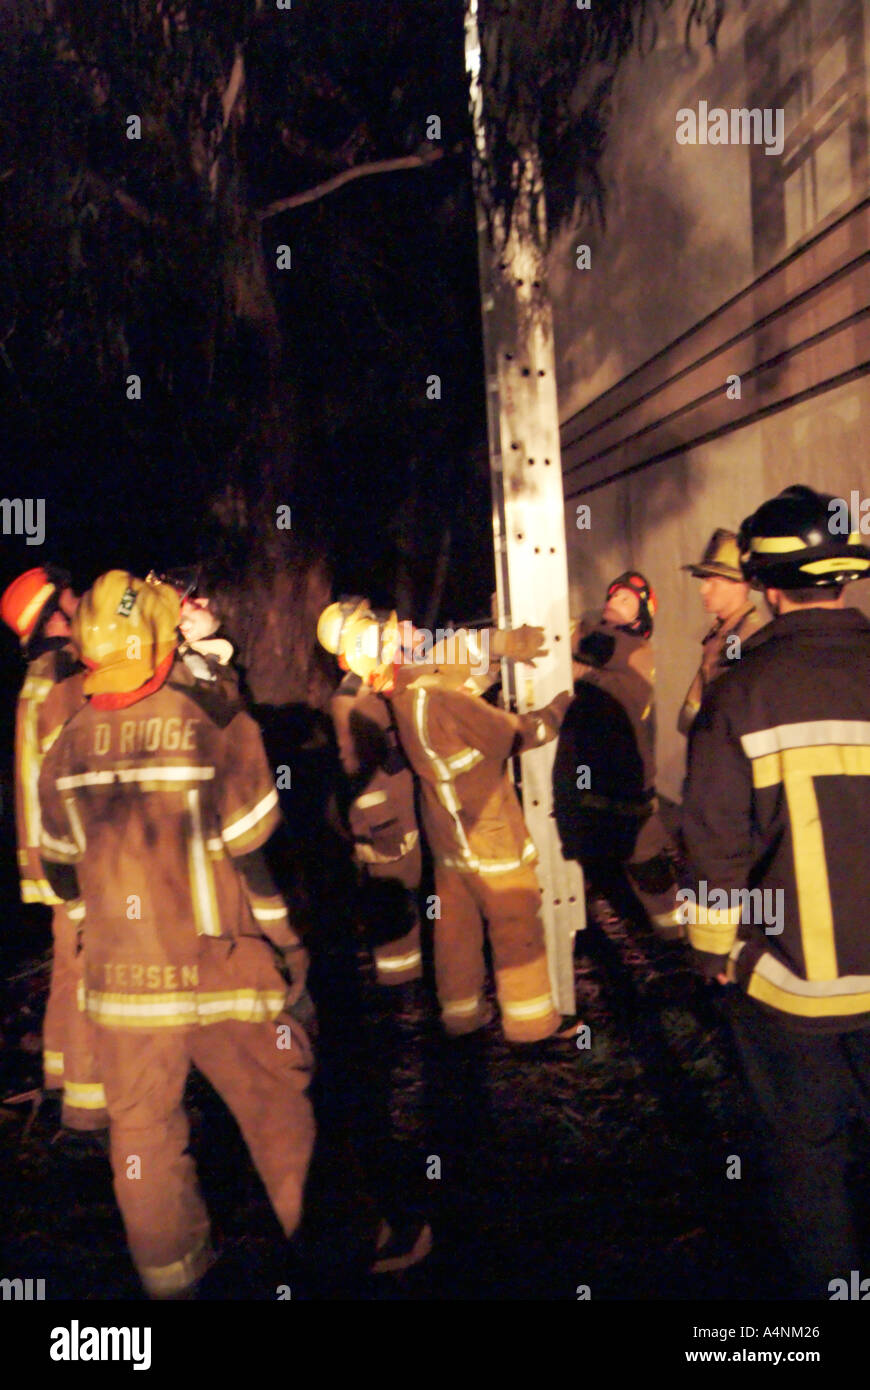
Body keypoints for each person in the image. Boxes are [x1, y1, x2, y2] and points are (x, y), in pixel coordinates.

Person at [38, 570, 315, 1298]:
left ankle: (173, 1280)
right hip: (220, 966)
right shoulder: (214, 723)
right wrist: (286, 944)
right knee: (274, 1104)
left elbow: (61, 871)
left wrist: (88, 926)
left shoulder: (64, 747)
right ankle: (329, 1249)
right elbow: (255, 852)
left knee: (142, 1138)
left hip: (124, 989)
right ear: (163, 640)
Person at [681, 484, 870, 1298]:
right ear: (844, 576)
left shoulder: (742, 692)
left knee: (809, 1169)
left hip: (794, 994)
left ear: (765, 583)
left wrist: (716, 955)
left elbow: (716, 844)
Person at [319, 600, 573, 1043]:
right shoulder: (433, 697)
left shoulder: (401, 690)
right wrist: (556, 712)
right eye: (399, 630)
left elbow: (446, 660)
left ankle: (461, 1015)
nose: (411, 626)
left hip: (447, 838)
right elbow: (510, 733)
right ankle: (532, 1027)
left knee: (456, 929)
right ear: (384, 646)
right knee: (515, 921)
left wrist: (496, 645)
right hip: (488, 833)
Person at [1, 566, 108, 1136]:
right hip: (74, 854)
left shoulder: (36, 680)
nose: (83, 603)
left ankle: (62, 1080)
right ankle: (89, 1112)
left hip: (46, 856)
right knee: (89, 969)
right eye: (74, 598)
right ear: (56, 616)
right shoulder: (62, 684)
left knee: (69, 969)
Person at [553, 571, 684, 939]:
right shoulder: (597, 641)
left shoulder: (633, 649)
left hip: (629, 775)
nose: (614, 601)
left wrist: (567, 636)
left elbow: (590, 652)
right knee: (599, 849)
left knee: (646, 856)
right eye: (614, 595)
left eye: (627, 600)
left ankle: (676, 936)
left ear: (641, 618)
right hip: (593, 770)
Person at [677, 529, 765, 735]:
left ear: (739, 586)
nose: (703, 590)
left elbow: (730, 709)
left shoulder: (743, 636)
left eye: (712, 582)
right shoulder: (722, 631)